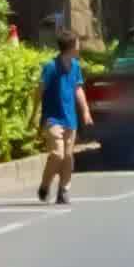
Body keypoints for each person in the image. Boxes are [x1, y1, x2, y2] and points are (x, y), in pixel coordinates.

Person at [36, 22, 90, 203]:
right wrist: (35, 113)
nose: (79, 47)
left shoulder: (75, 66)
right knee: (57, 154)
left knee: (68, 156)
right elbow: (39, 90)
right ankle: (45, 185)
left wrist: (85, 111)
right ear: (71, 46)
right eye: (78, 43)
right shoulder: (50, 67)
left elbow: (78, 89)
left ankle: (63, 190)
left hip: (70, 119)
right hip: (52, 118)